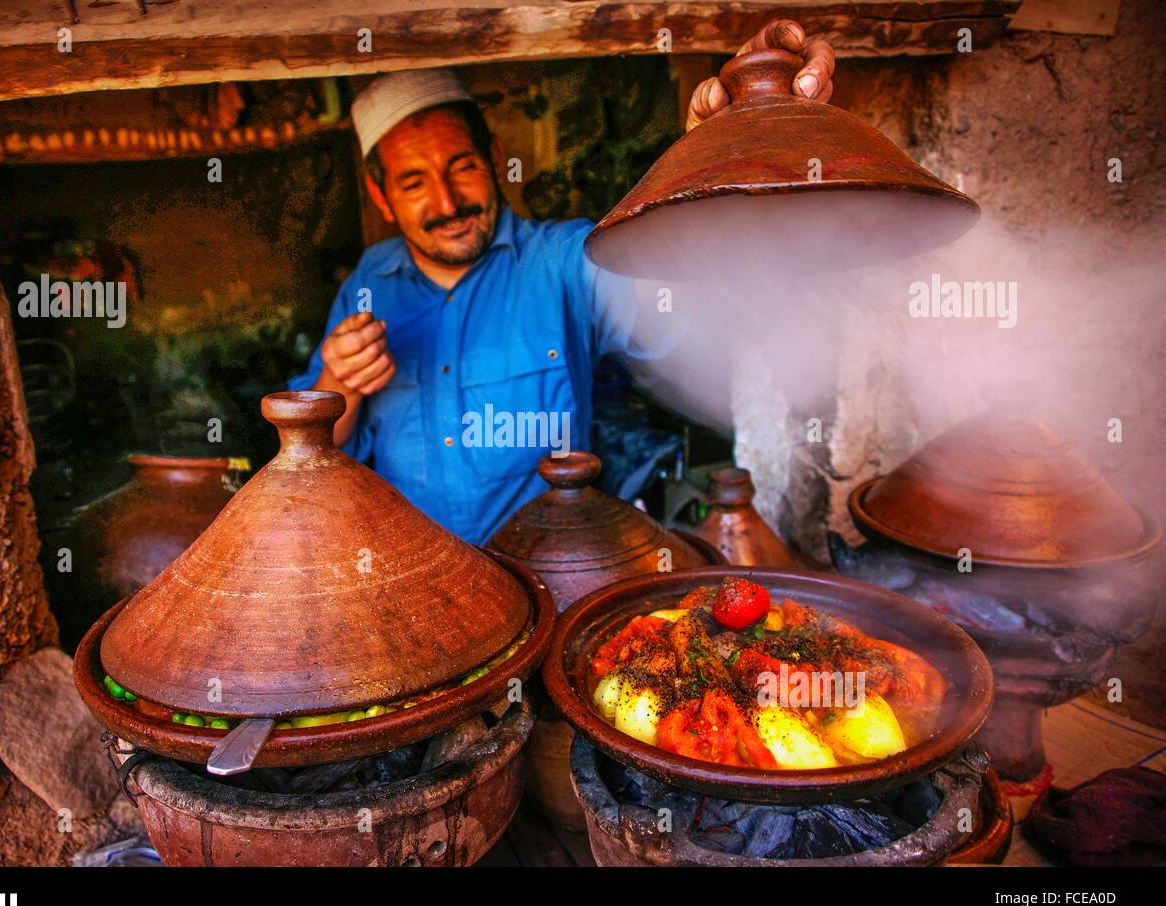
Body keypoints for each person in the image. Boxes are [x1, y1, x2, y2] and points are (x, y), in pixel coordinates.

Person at [290, 20, 837, 544]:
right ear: (382, 196)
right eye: (413, 183)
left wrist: (721, 152)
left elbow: (689, 308)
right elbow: (319, 446)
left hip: (547, 580)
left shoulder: (567, 261)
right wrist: (341, 381)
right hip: (414, 589)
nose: (447, 202)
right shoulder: (369, 284)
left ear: (495, 160)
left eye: (462, 167)